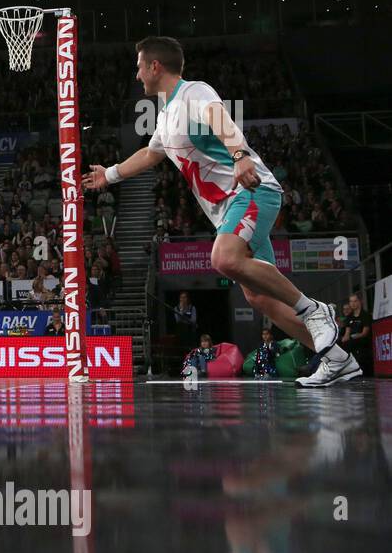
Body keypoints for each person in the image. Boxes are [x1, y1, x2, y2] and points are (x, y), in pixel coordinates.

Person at [85, 36, 355, 387]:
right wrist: (111, 174)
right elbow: (151, 155)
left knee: (224, 259)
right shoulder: (167, 117)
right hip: (229, 207)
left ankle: (315, 310)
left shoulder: (193, 92)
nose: (136, 75)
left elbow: (219, 117)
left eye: (139, 66)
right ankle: (337, 359)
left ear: (155, 66)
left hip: (250, 191)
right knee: (259, 296)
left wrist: (240, 156)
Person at [341, 293, 372, 373]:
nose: (353, 303)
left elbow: (364, 333)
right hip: (351, 343)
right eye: (351, 301)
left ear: (360, 302)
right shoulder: (349, 317)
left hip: (363, 344)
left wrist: (353, 337)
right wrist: (343, 339)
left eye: (355, 301)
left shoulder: (365, 315)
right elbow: (347, 333)